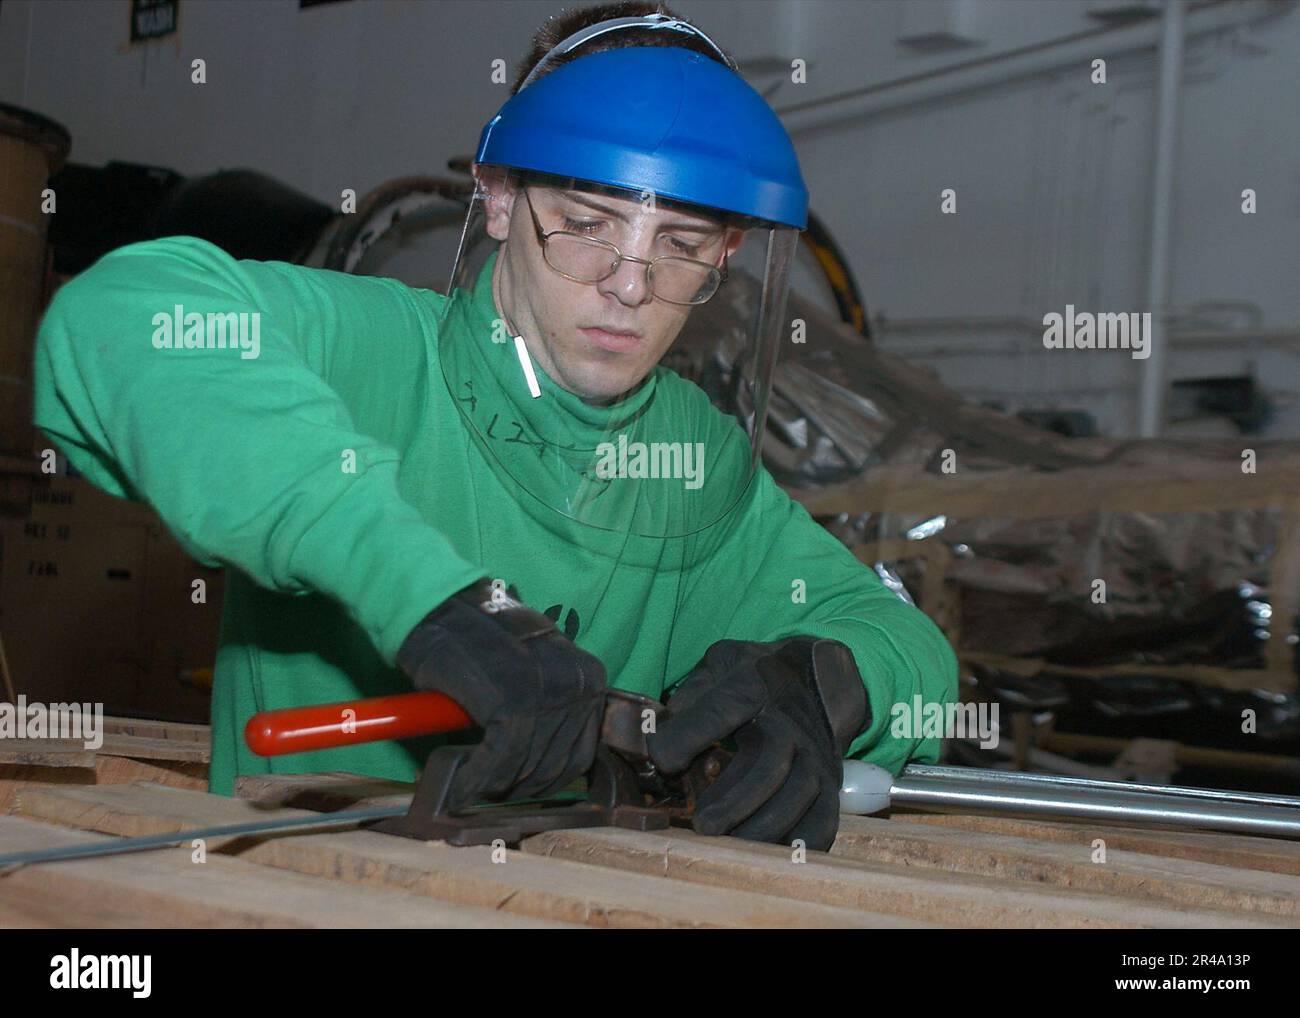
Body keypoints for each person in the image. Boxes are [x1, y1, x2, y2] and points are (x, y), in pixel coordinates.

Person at [33, 1, 957, 851]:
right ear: (503, 195)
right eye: (587, 223)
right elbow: (124, 313)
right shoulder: (375, 352)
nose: (630, 286)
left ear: (726, 251)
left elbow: (915, 653)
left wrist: (825, 678)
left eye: (678, 246)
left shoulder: (694, 461)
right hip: (299, 898)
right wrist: (428, 598)